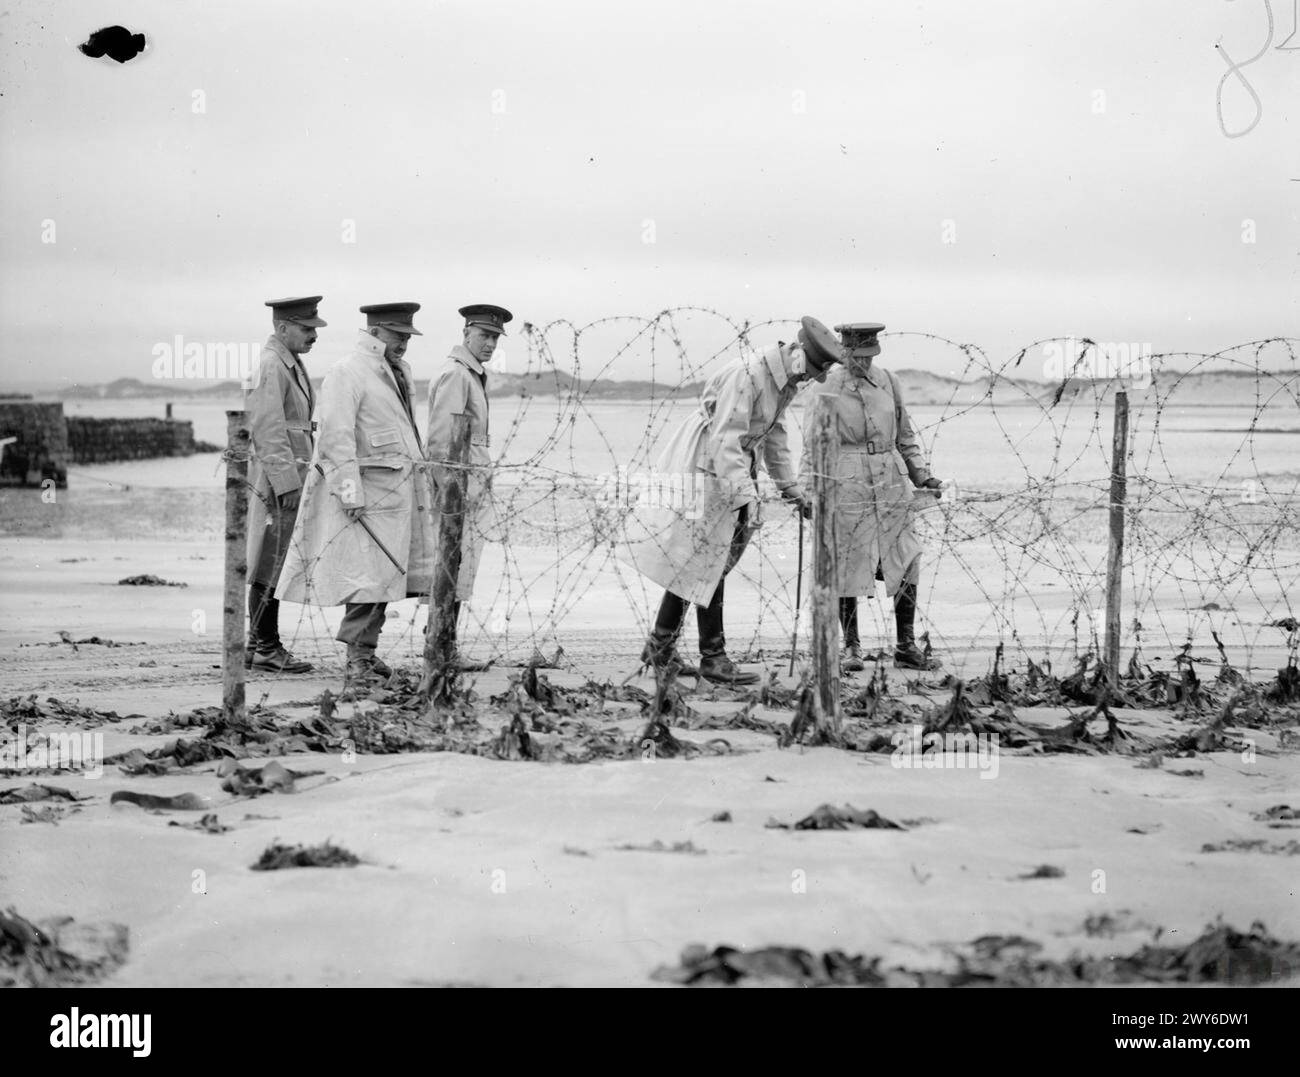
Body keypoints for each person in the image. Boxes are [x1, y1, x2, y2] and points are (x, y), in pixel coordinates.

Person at [623, 316, 841, 685]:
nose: (807, 382)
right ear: (799, 355)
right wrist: (744, 496)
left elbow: (774, 435)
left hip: (735, 462)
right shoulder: (749, 374)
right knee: (708, 557)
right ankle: (713, 656)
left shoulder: (785, 378)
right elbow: (725, 438)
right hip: (704, 464)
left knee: (704, 558)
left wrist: (790, 488)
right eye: (809, 373)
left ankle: (660, 645)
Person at [276, 302, 433, 685]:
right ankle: (357, 658)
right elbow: (334, 436)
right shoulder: (347, 373)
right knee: (368, 578)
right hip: (367, 496)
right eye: (398, 336)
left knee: (385, 577)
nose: (404, 344)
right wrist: (350, 493)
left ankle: (366, 651)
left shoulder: (396, 372)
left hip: (395, 493)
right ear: (376, 333)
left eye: (407, 337)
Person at [799, 322, 943, 672]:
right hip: (846, 483)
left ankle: (906, 645)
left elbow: (905, 436)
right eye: (857, 356)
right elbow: (810, 445)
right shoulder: (824, 387)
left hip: (891, 482)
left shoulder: (888, 382)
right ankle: (851, 647)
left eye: (869, 356)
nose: (863, 363)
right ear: (844, 352)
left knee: (906, 557)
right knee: (850, 564)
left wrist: (922, 474)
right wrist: (807, 489)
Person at [424, 303, 512, 670]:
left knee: (459, 567)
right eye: (484, 336)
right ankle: (441, 648)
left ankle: (446, 646)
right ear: (466, 334)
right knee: (451, 564)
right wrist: (449, 494)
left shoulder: (471, 374)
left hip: (469, 483)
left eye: (494, 338)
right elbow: (442, 440)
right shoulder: (457, 375)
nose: (490, 344)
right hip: (457, 487)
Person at [244, 296, 325, 674]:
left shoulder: (286, 362)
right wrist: (285, 482)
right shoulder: (270, 365)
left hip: (293, 470)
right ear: (282, 328)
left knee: (272, 557)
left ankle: (254, 644)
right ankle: (266, 646)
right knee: (271, 560)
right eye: (307, 328)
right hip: (281, 477)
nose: (313, 336)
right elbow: (267, 427)